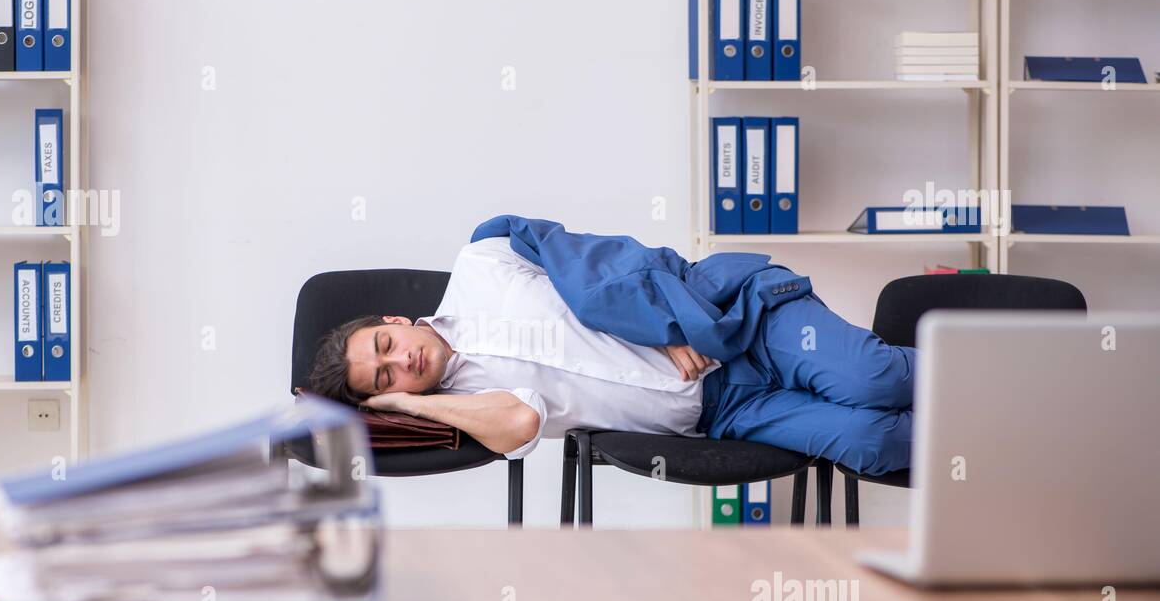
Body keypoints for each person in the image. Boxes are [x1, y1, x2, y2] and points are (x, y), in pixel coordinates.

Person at [307, 218, 914, 475]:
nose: (400, 362)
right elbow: (522, 422)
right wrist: (414, 408)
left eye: (386, 343)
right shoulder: (475, 404)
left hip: (734, 321)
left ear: (394, 319)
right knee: (871, 444)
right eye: (385, 379)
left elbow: (596, 265)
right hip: (725, 411)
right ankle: (999, 438)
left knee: (874, 381)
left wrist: (666, 324)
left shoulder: (480, 264)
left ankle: (1002, 376)